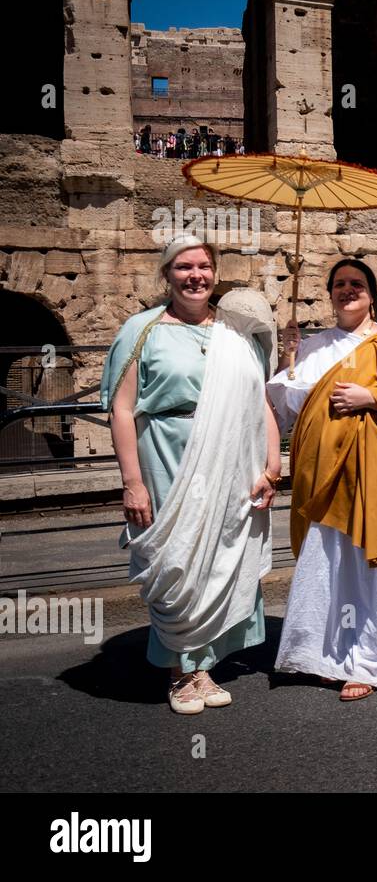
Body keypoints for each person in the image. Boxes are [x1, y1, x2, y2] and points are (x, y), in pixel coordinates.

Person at [101, 234, 278, 714]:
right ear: (166, 275)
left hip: (230, 457)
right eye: (183, 267)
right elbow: (121, 410)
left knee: (218, 555)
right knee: (178, 559)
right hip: (165, 451)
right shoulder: (142, 330)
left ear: (215, 274)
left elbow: (260, 399)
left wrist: (272, 464)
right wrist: (132, 482)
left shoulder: (236, 332)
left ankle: (203, 668)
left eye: (203, 266)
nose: (195, 275)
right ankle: (179, 674)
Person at [267, 259, 377, 700]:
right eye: (339, 284)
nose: (347, 290)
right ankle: (331, 655)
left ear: (372, 294)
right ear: (329, 293)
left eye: (356, 283)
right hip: (323, 472)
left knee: (373, 562)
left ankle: (372, 660)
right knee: (330, 563)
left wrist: (372, 397)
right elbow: (290, 409)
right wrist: (288, 358)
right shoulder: (314, 345)